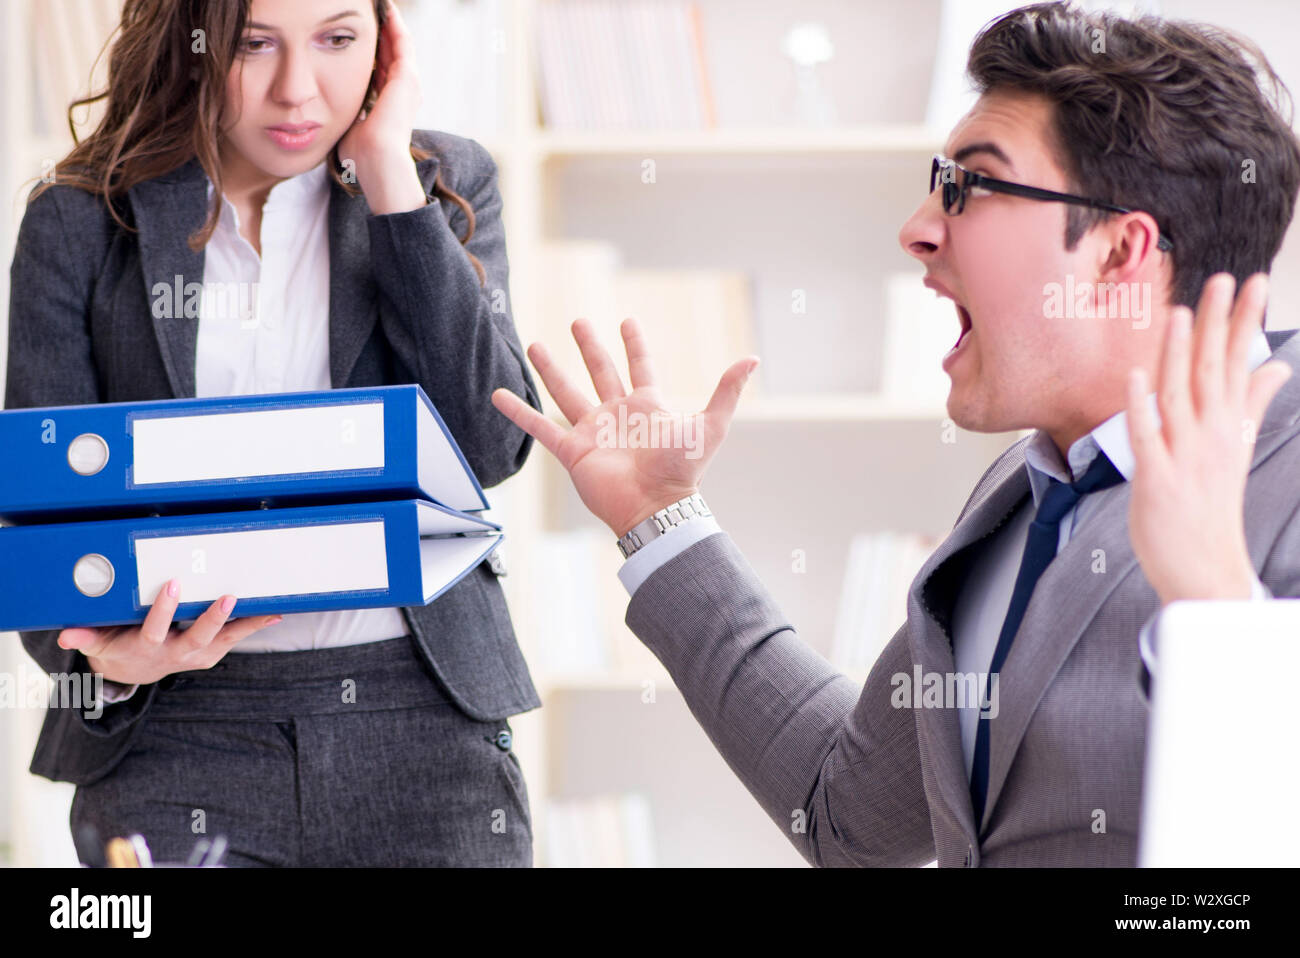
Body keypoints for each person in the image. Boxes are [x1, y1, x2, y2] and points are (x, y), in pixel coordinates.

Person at [491, 1, 1300, 866]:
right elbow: (847, 818)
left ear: (1117, 252)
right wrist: (659, 516)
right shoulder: (1016, 494)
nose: (917, 228)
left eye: (971, 185)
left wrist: (1216, 610)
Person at [6, 0, 542, 866]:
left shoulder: (441, 182)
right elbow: (38, 516)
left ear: (384, 42)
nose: (298, 91)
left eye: (337, 39)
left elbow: (492, 446)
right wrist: (112, 662)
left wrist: (388, 181)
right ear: (190, 41)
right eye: (253, 44)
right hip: (177, 734)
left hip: (421, 727)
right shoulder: (78, 221)